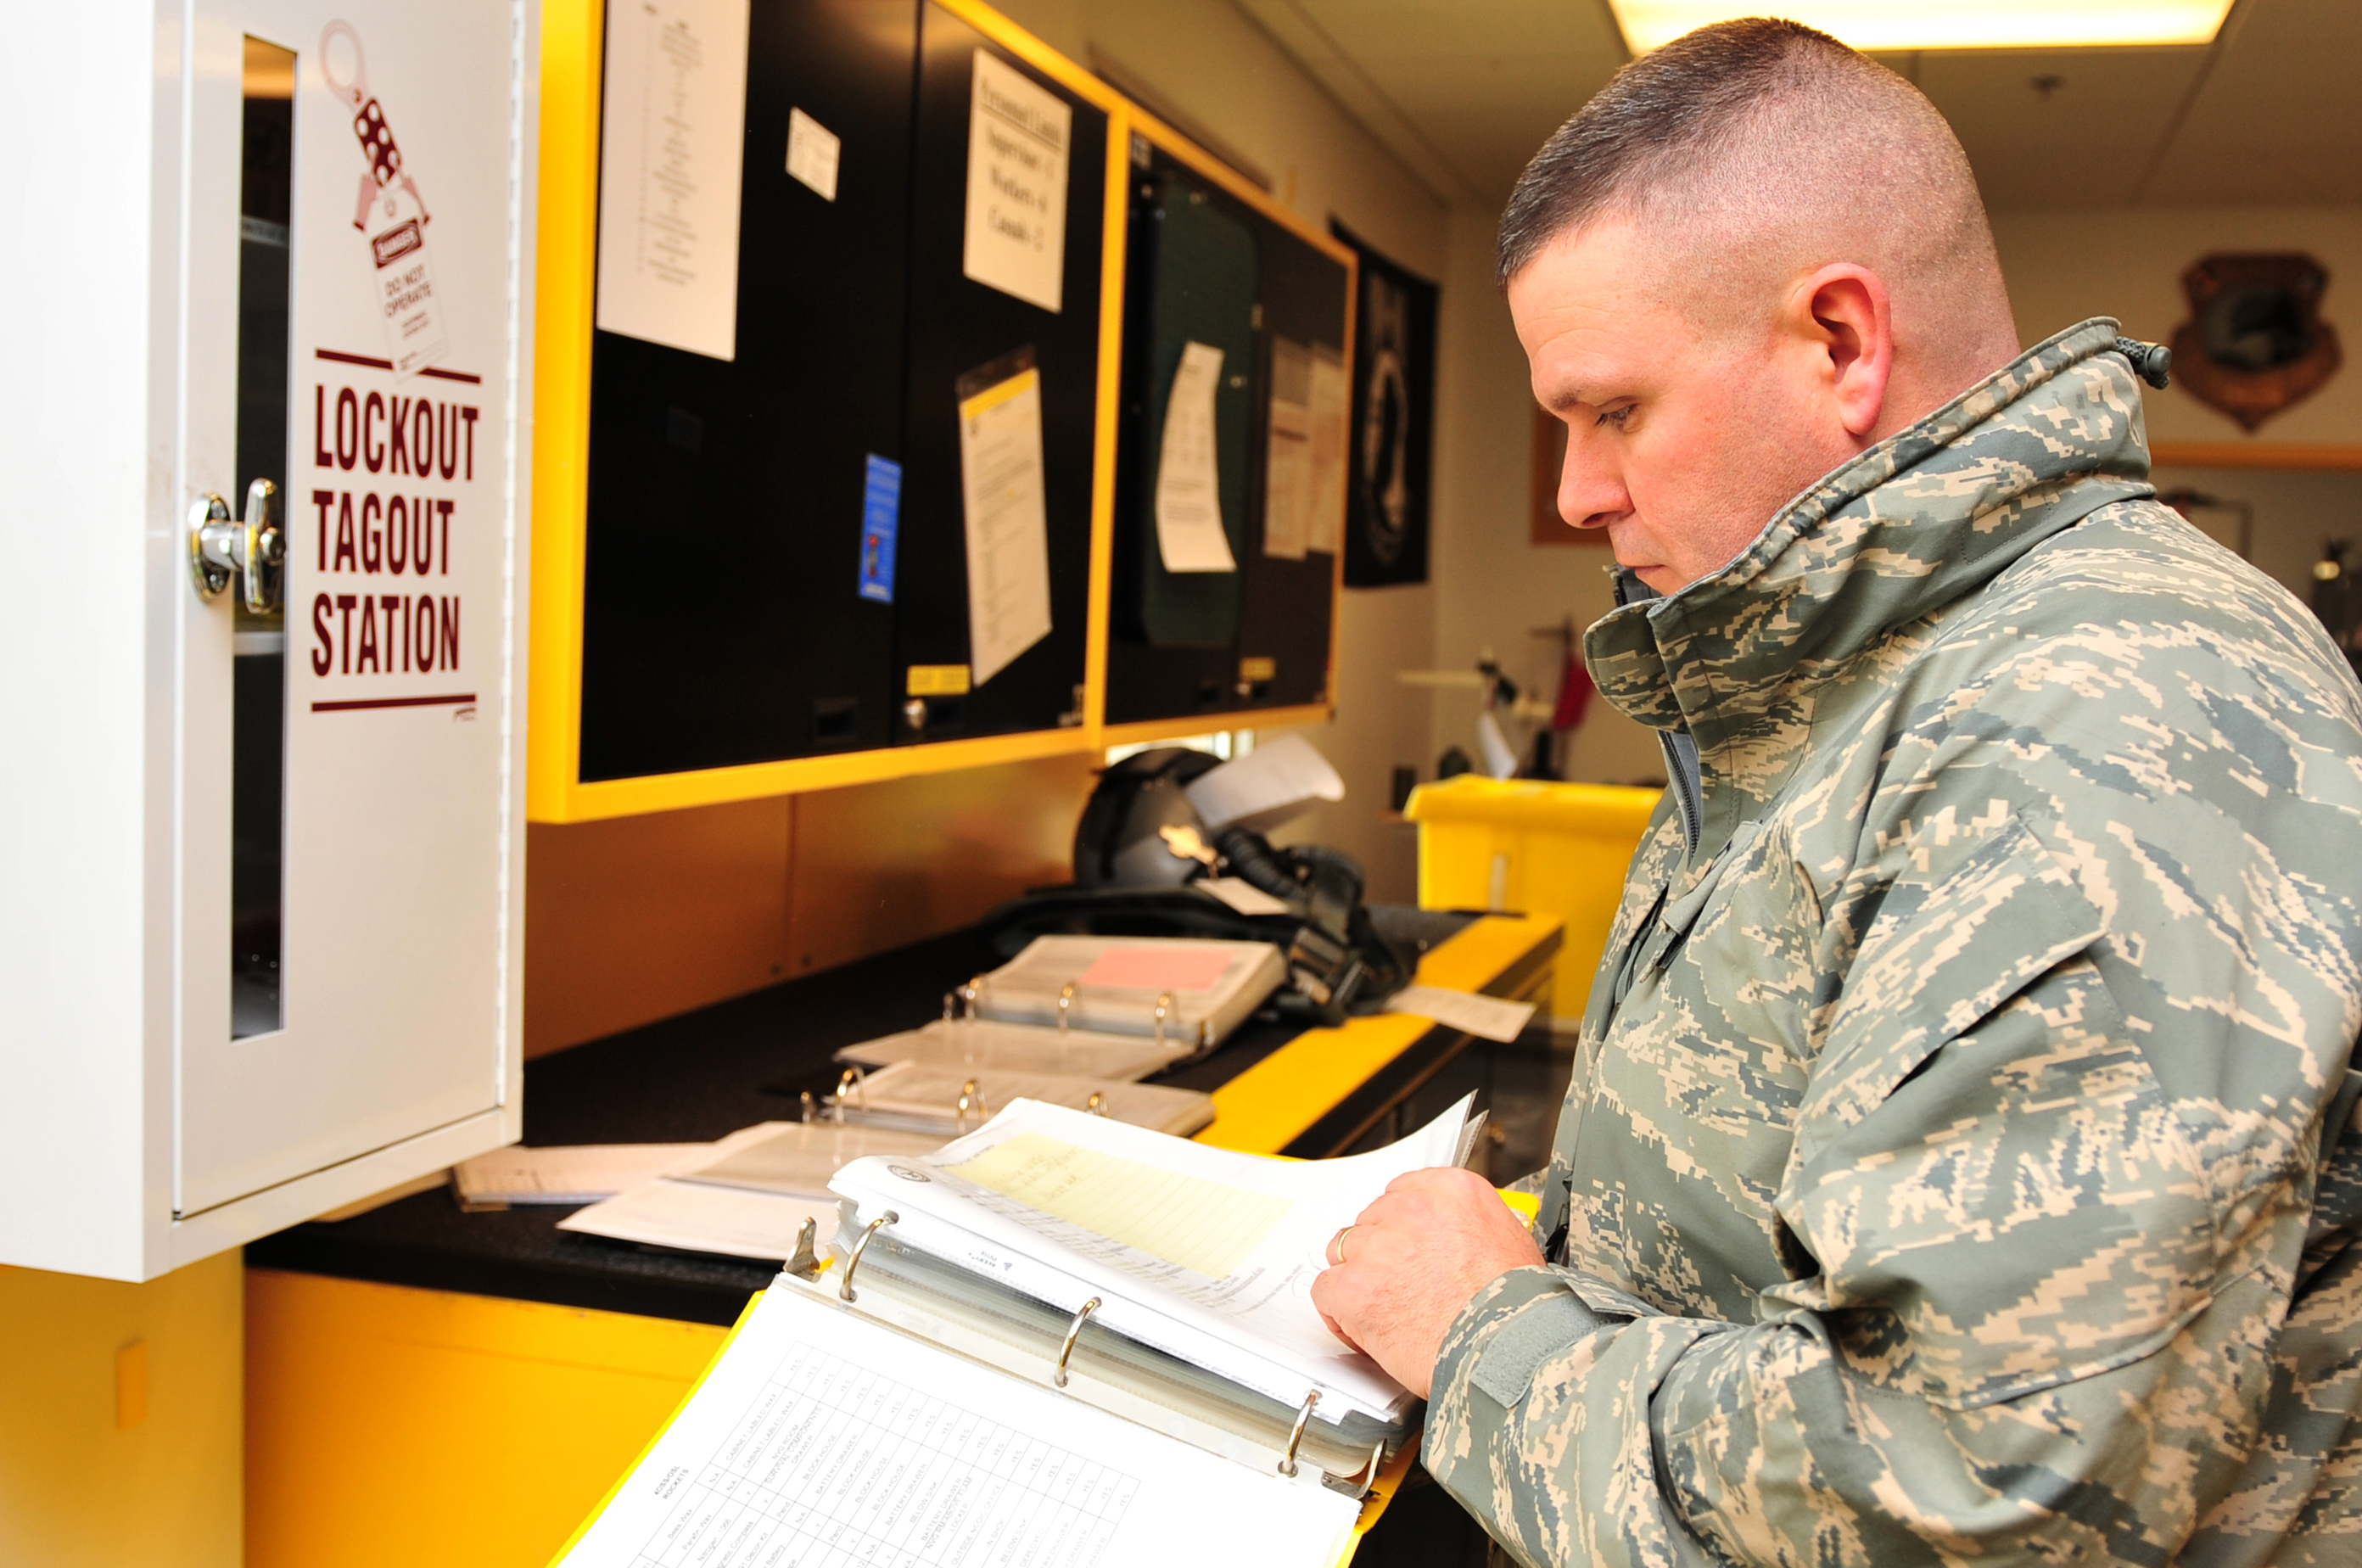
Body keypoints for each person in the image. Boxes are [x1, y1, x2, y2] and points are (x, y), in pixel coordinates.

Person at [1310, 19, 2362, 1567]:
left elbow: (1966, 1493)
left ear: (1842, 345)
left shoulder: (2103, 714)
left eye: (1614, 411)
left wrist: (1483, 1334)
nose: (1576, 493)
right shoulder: (1839, 661)